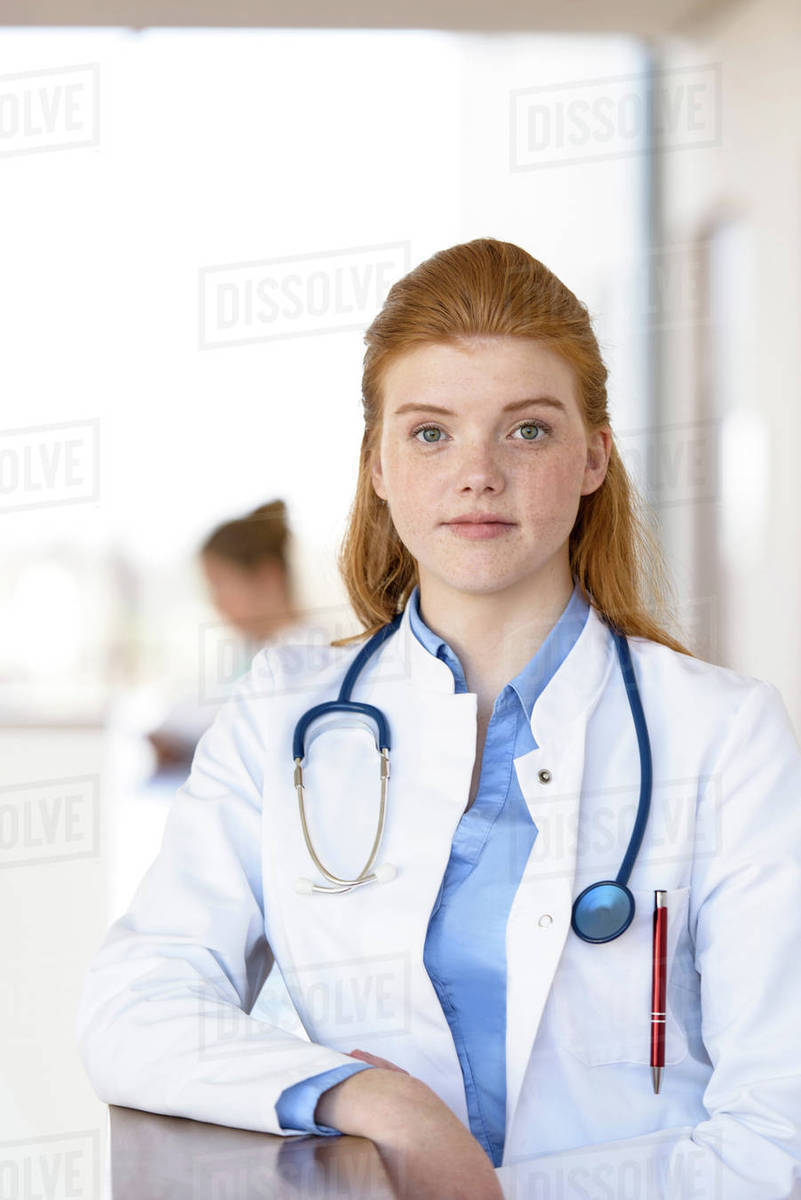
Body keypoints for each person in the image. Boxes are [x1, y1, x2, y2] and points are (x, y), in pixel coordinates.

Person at [75, 238, 801, 1199]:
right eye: (430, 433)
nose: (478, 473)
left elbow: (775, 1132)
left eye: (527, 431)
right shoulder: (283, 714)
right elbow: (135, 1005)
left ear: (593, 457)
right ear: (377, 462)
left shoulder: (724, 733)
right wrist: (373, 1098)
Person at [146, 498, 308, 772]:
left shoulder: (309, 652)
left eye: (221, 585)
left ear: (268, 576)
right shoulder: (247, 651)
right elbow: (198, 709)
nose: (216, 603)